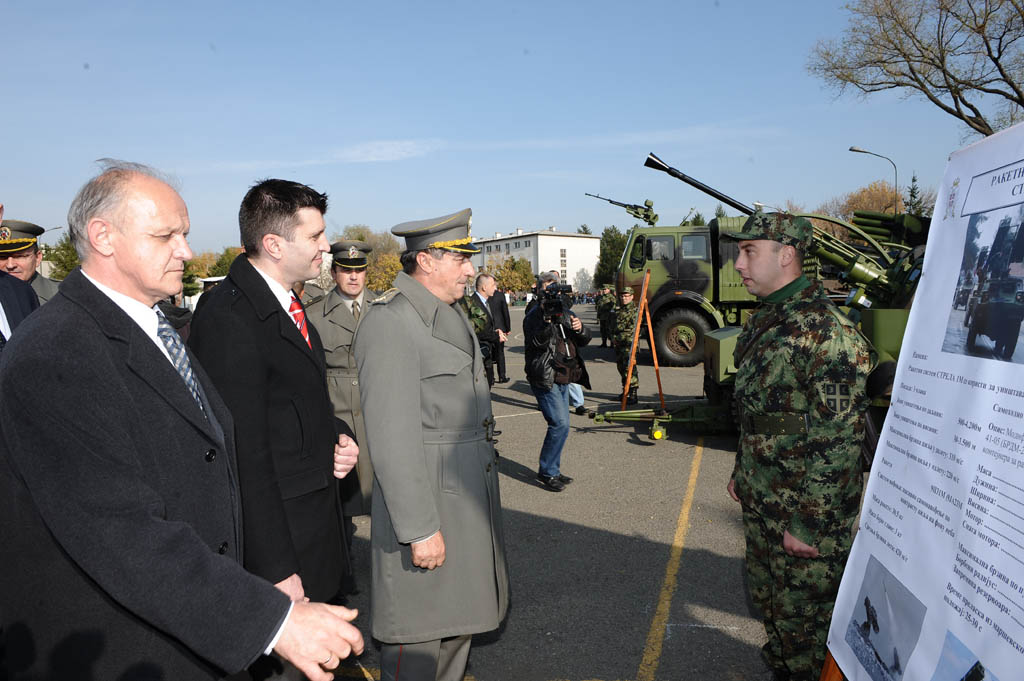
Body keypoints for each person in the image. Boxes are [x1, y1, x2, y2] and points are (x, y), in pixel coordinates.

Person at [0, 161, 363, 681]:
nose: (187, 251)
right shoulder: (56, 354)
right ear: (103, 237)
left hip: (179, 628)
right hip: (119, 648)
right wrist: (270, 620)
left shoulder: (154, 325)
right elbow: (119, 531)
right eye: (165, 235)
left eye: (185, 233)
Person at [189, 179, 360, 679]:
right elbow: (240, 451)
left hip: (310, 530)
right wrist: (275, 570)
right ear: (274, 244)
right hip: (281, 553)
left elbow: (294, 402)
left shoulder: (283, 300)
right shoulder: (232, 317)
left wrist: (340, 434)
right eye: (316, 237)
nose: (326, 247)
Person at [353, 208, 508, 681]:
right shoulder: (391, 322)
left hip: (463, 505)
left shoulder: (449, 313)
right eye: (460, 259)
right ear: (425, 261)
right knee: (419, 644)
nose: (470, 269)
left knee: (457, 629)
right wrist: (419, 529)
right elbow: (391, 438)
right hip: (429, 512)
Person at [722, 210, 872, 681]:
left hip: (802, 515)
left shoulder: (828, 335)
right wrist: (742, 472)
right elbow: (764, 414)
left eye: (749, 252)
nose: (739, 264)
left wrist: (808, 524)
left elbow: (841, 440)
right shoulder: (771, 320)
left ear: (787, 255)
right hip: (766, 499)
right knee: (775, 614)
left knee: (805, 626)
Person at [306, 240, 377, 519]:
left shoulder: (387, 309)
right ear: (334, 272)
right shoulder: (314, 314)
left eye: (359, 270)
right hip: (338, 416)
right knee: (339, 506)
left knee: (386, 502)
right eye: (346, 270)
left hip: (377, 413)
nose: (353, 276)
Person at [523, 271, 592, 491]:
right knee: (560, 423)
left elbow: (582, 339)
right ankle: (547, 472)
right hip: (545, 376)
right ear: (540, 289)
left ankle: (553, 469)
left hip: (564, 374)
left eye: (555, 286)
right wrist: (546, 321)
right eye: (547, 286)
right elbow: (536, 343)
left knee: (563, 425)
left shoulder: (565, 311)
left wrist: (582, 329)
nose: (551, 291)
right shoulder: (533, 314)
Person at [0, 219, 61, 303]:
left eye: (19, 256)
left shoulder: (62, 296)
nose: (10, 265)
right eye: (2, 257)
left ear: (37, 258)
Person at [612, 287, 640, 405]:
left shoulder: (634, 311)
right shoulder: (619, 309)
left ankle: (633, 394)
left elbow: (632, 331)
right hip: (619, 345)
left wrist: (617, 338)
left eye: (627, 296)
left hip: (628, 344)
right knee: (621, 368)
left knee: (630, 369)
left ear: (632, 296)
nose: (624, 298)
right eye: (622, 296)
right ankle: (625, 391)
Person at [488, 281, 512, 382]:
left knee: (489, 353)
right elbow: (505, 312)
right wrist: (507, 328)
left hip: (489, 326)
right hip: (500, 326)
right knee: (500, 352)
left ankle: (491, 377)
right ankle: (502, 376)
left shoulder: (485, 296)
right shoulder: (500, 295)